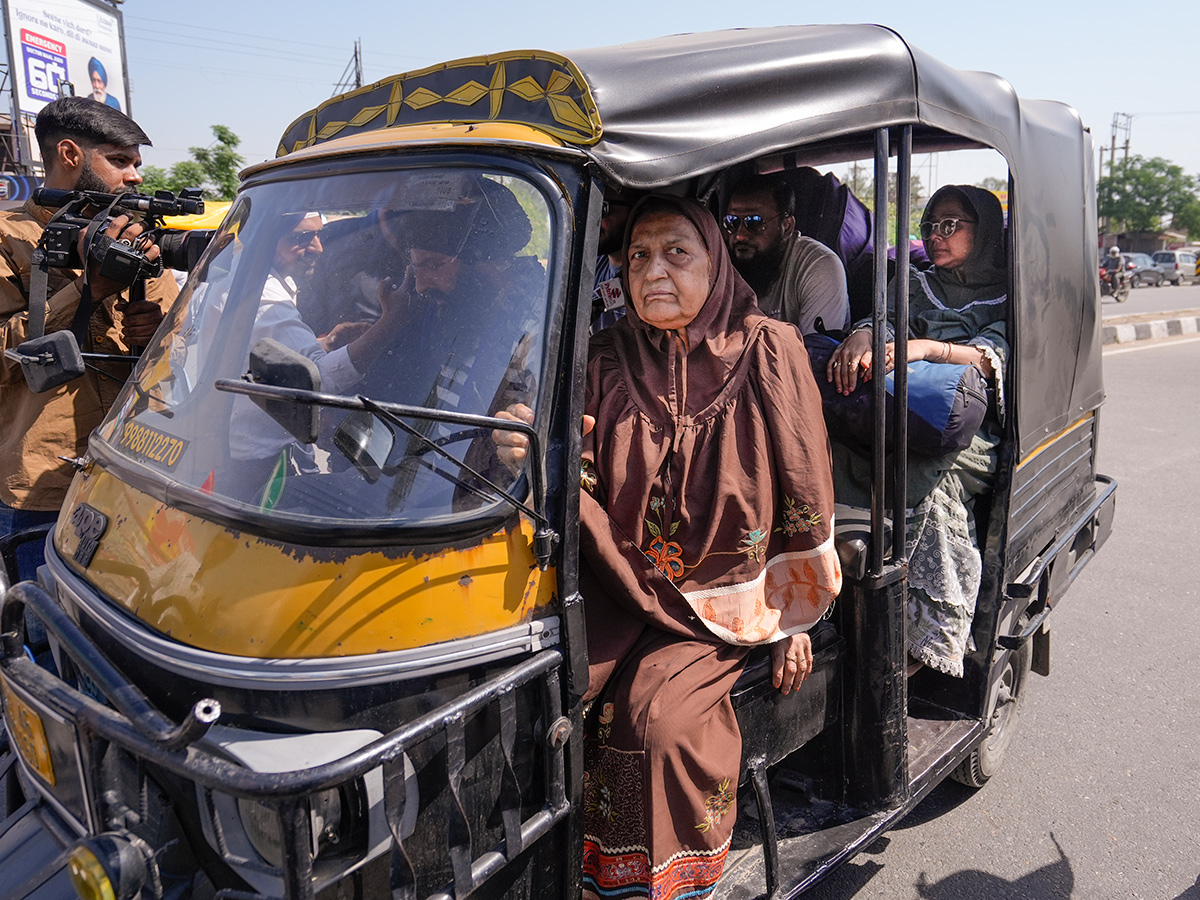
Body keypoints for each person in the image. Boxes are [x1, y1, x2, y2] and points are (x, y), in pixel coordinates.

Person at [549, 195, 840, 899]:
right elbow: (573, 469)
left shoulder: (768, 346)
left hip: (727, 599)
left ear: (715, 261)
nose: (654, 271)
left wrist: (794, 619)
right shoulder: (600, 355)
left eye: (676, 253)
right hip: (620, 585)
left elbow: (804, 486)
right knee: (549, 703)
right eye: (639, 256)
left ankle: (668, 887)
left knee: (658, 723)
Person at [827, 184, 1008, 678]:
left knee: (927, 478)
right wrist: (866, 334)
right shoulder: (912, 282)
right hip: (901, 413)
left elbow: (991, 357)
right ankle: (839, 592)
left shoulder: (1008, 294)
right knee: (837, 452)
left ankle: (923, 633)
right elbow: (885, 323)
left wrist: (927, 349)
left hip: (966, 434)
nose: (936, 236)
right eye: (930, 225)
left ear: (985, 230)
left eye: (951, 225)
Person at [0, 97, 175, 580]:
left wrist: (158, 330)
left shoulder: (141, 239)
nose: (136, 176)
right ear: (71, 155)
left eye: (137, 163)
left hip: (139, 472)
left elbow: (184, 355)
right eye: (120, 161)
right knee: (47, 635)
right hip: (44, 488)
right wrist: (89, 289)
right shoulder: (8, 238)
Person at [722, 174, 850, 335]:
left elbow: (815, 352)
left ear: (787, 227)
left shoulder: (818, 266)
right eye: (732, 222)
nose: (740, 235)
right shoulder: (721, 263)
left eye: (754, 222)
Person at [590, 186, 635, 332]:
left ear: (633, 211)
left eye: (602, 208)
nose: (591, 219)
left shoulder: (645, 278)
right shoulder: (592, 266)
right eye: (589, 206)